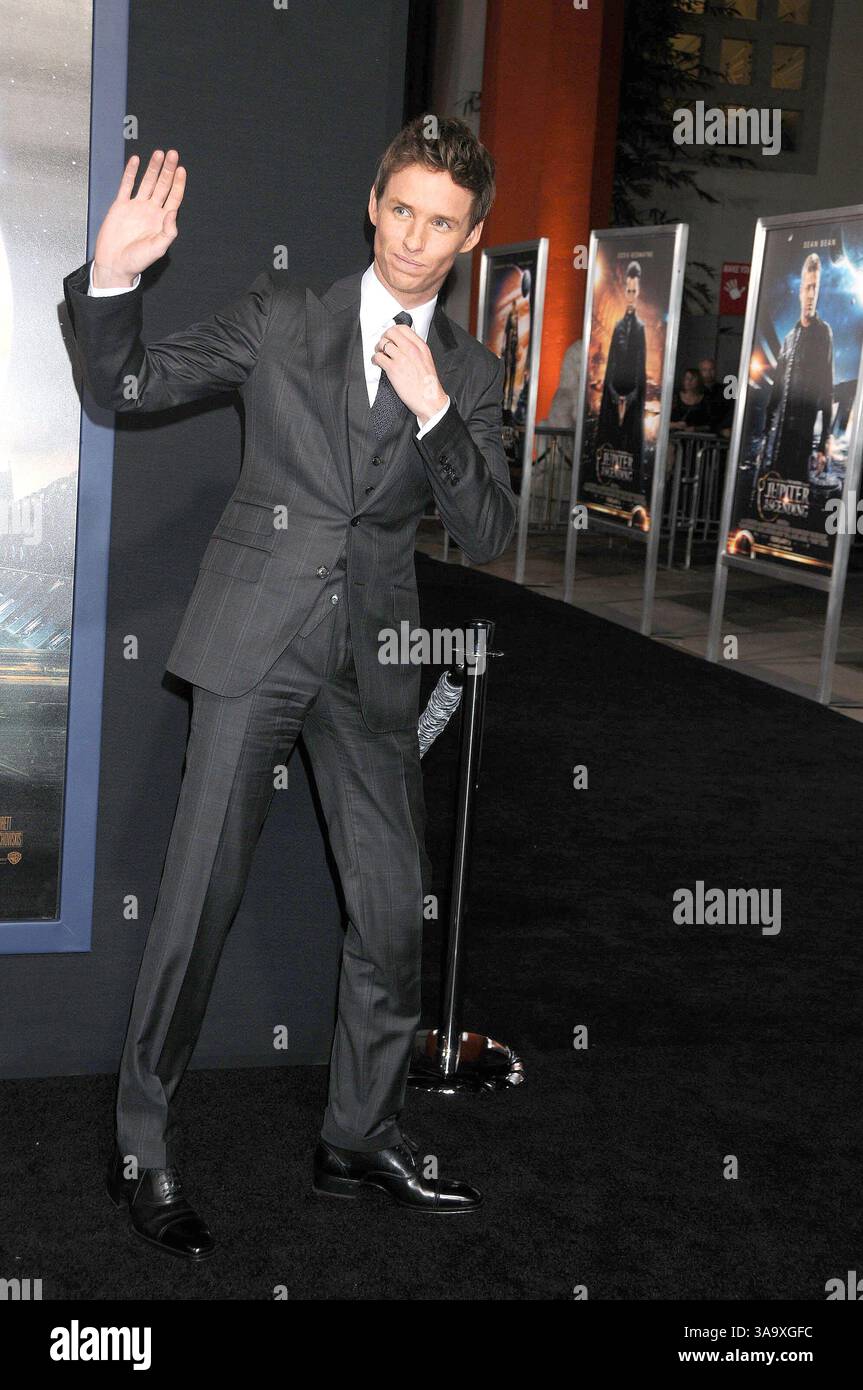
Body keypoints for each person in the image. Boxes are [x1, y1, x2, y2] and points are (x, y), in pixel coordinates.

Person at [62, 116, 516, 1259]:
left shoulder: (468, 372)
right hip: (251, 644)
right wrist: (114, 276)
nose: (415, 240)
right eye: (401, 211)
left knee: (389, 911)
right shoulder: (281, 319)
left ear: (471, 238)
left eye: (442, 223)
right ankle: (142, 1148)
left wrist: (433, 413)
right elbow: (126, 382)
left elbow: (490, 530)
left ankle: (357, 1137)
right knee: (192, 911)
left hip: (374, 663)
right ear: (373, 205)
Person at [756, 252, 834, 484]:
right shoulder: (789, 338)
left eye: (815, 288)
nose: (811, 295)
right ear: (800, 291)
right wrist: (765, 437)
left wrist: (822, 445)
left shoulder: (823, 334)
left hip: (802, 441)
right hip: (778, 440)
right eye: (808, 287)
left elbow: (827, 391)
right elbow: (776, 393)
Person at [595, 261, 646, 488]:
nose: (631, 295)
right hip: (615, 390)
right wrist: (613, 391)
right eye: (628, 290)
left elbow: (640, 363)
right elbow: (612, 362)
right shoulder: (617, 326)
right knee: (612, 434)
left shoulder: (641, 328)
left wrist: (634, 392)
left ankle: (627, 482)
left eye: (634, 291)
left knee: (628, 436)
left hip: (631, 394)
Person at [669, 367, 712, 431]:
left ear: (699, 381)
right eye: (687, 378)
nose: (689, 381)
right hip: (673, 435)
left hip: (696, 437)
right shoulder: (674, 396)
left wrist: (696, 429)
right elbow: (660, 420)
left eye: (693, 378)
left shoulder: (706, 399)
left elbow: (711, 424)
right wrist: (675, 425)